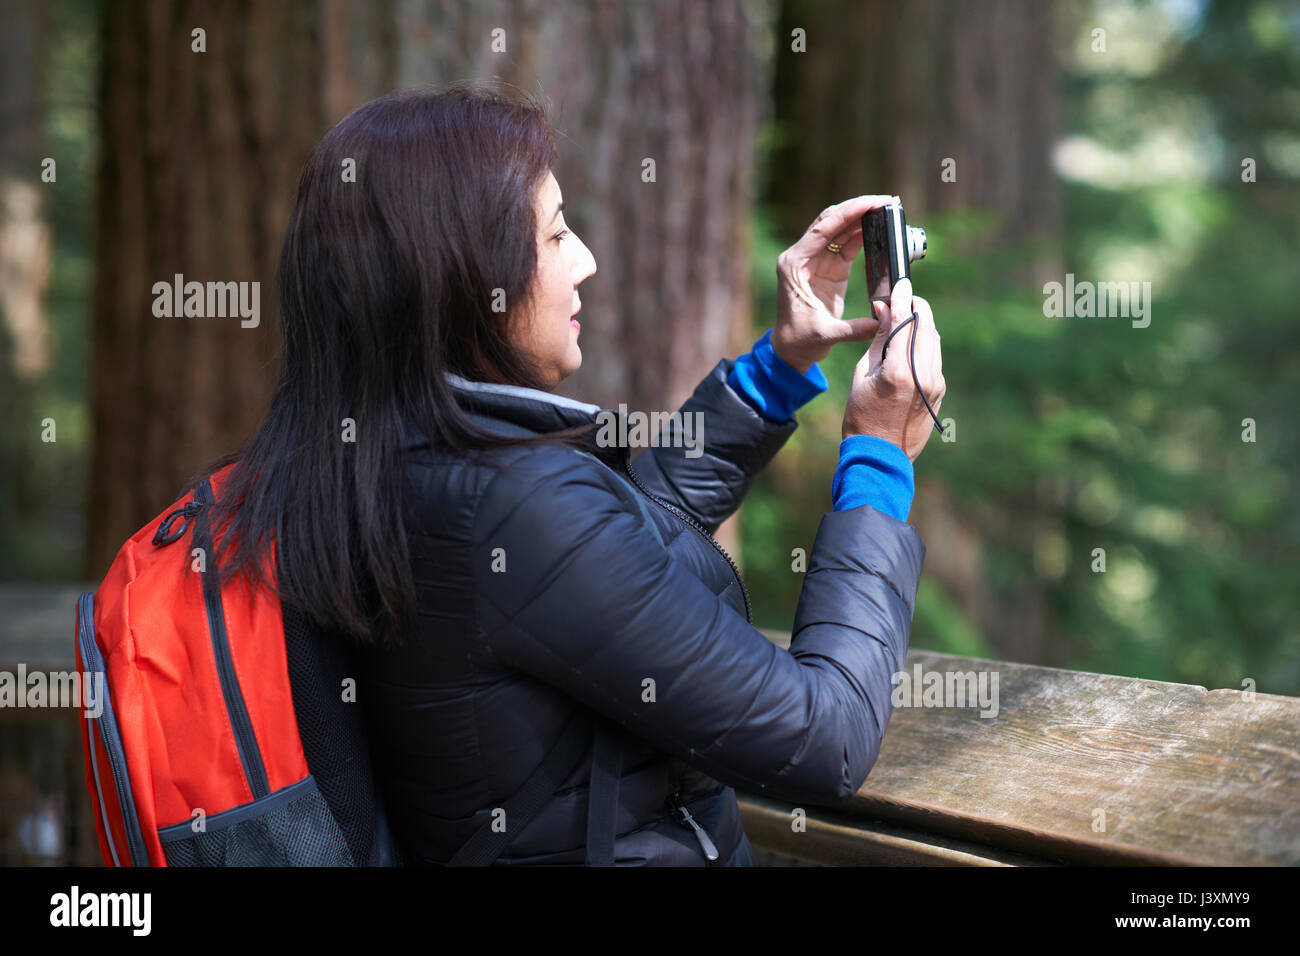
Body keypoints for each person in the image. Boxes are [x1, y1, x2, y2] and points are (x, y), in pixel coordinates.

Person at [192, 80, 945, 866]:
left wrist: (778, 368)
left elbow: (615, 560)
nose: (585, 261)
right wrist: (879, 462)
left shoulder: (372, 456)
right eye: (555, 236)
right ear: (462, 277)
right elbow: (824, 738)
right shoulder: (513, 505)